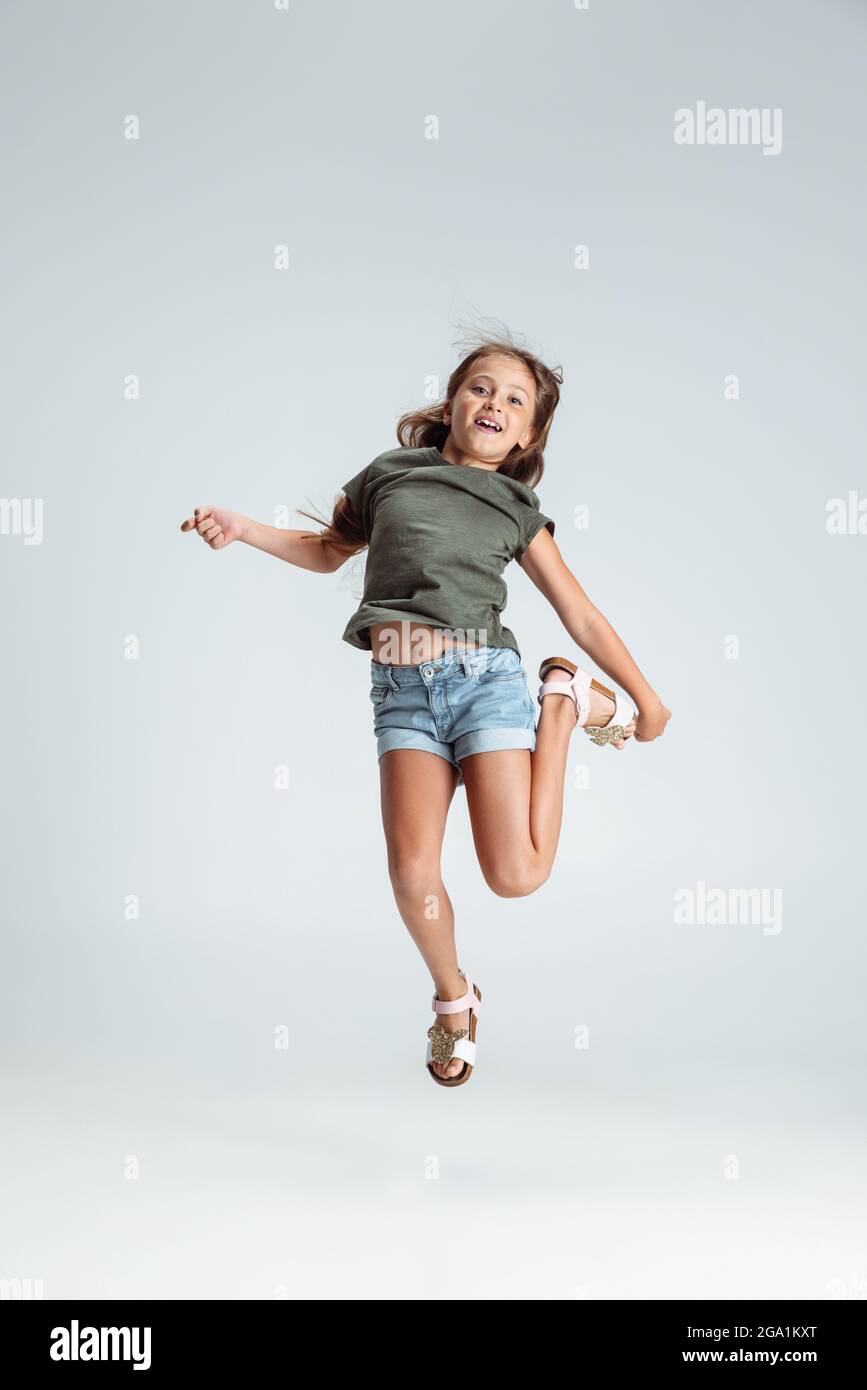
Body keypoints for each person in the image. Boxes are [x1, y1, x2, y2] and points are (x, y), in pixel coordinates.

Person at [180, 334, 671, 1088]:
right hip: (401, 693)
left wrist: (644, 697)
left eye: (515, 401)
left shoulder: (515, 508)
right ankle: (454, 998)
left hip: (484, 682)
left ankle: (563, 704)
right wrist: (242, 529)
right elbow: (324, 551)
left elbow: (580, 616)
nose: (494, 405)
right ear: (450, 402)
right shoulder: (389, 477)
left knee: (516, 875)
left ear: (528, 436)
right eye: (481, 388)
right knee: (412, 874)